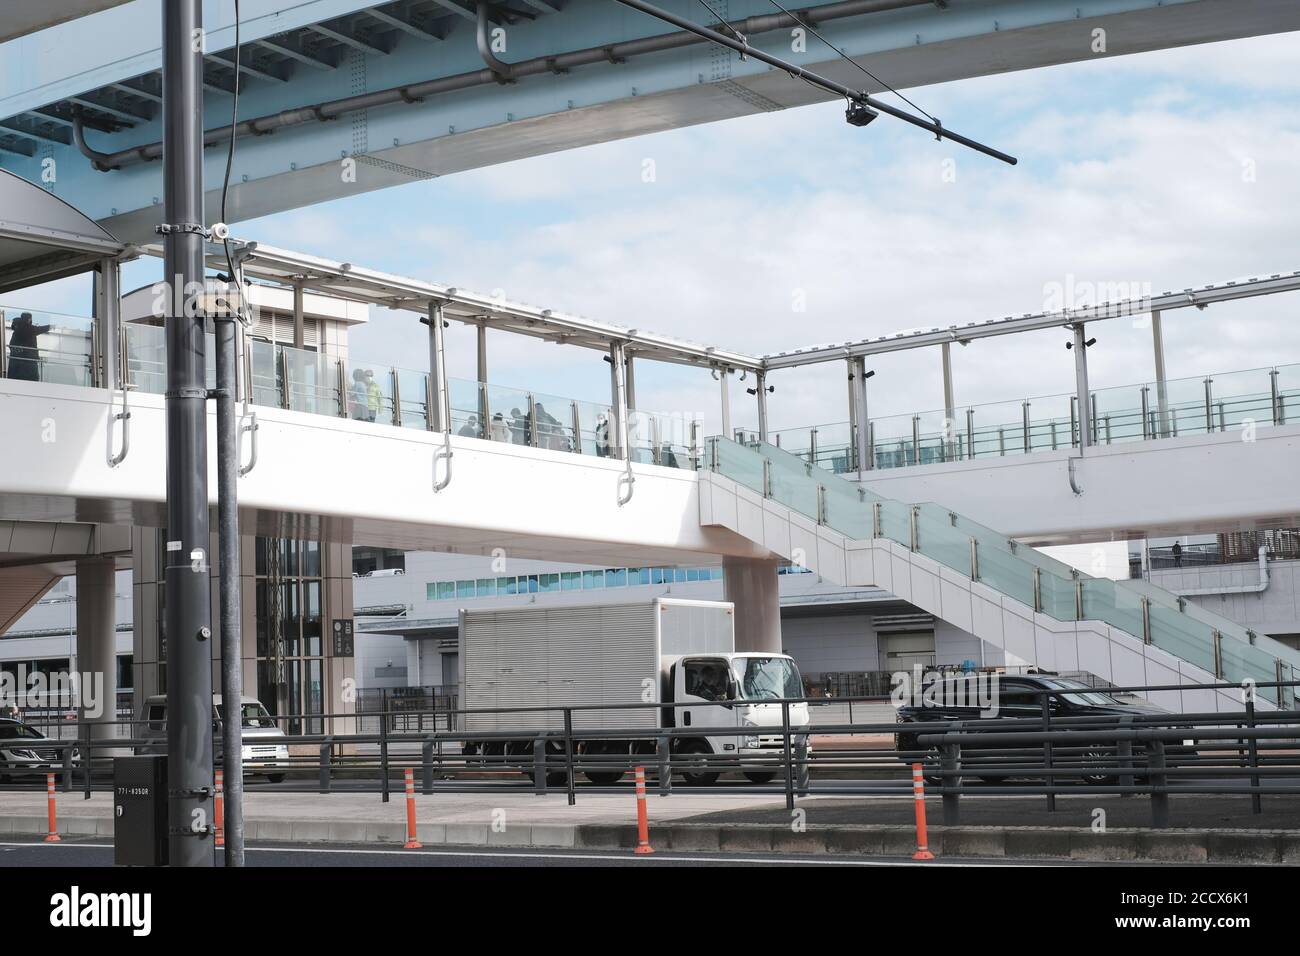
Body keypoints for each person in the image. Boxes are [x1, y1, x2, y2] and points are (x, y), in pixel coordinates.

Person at [6, 312, 52, 382]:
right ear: (29, 319)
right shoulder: (28, 328)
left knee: (15, 383)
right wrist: (50, 326)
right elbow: (40, 329)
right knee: (31, 384)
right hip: (28, 361)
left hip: (15, 363)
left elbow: (11, 345)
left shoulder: (16, 330)